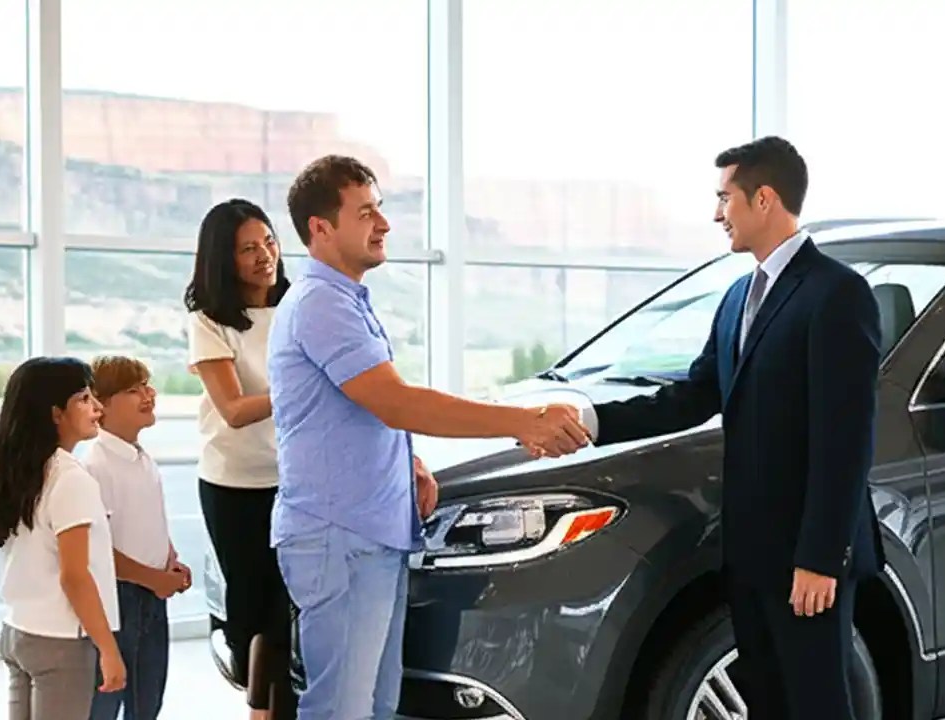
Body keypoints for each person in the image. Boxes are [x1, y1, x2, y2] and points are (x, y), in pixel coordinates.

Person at [268, 154, 591, 720]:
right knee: (340, 709)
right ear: (320, 229)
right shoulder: (321, 303)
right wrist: (523, 422)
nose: (384, 224)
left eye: (380, 210)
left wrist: (407, 463)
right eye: (365, 212)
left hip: (369, 532)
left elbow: (360, 410)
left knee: (374, 706)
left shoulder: (344, 299)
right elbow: (396, 401)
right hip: (339, 535)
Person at [584, 136, 884, 719]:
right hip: (750, 553)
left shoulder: (837, 294)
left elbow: (845, 440)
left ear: (764, 198)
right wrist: (593, 421)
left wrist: (820, 557)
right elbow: (693, 397)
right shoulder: (737, 298)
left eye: (724, 198)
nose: (716, 214)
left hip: (807, 558)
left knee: (819, 705)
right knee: (767, 705)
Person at [185, 198, 296, 720]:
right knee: (253, 609)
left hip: (295, 479)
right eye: (248, 248)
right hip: (234, 486)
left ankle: (285, 706)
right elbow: (232, 409)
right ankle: (259, 709)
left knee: (292, 608)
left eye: (269, 241)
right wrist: (304, 388)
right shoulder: (210, 321)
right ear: (222, 260)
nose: (264, 255)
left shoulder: (299, 306)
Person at [0, 357, 125, 720]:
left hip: (18, 632)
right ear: (56, 414)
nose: (97, 407)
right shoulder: (71, 478)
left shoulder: (23, 471)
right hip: (60, 641)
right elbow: (75, 575)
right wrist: (108, 648)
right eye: (84, 398)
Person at [84, 355, 192, 720]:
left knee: (148, 701)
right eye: (133, 390)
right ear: (101, 406)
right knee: (107, 700)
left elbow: (145, 521)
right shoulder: (96, 466)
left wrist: (170, 559)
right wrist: (155, 579)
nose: (149, 394)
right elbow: (97, 552)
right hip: (121, 600)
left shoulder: (142, 458)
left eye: (147, 385)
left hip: (152, 594)